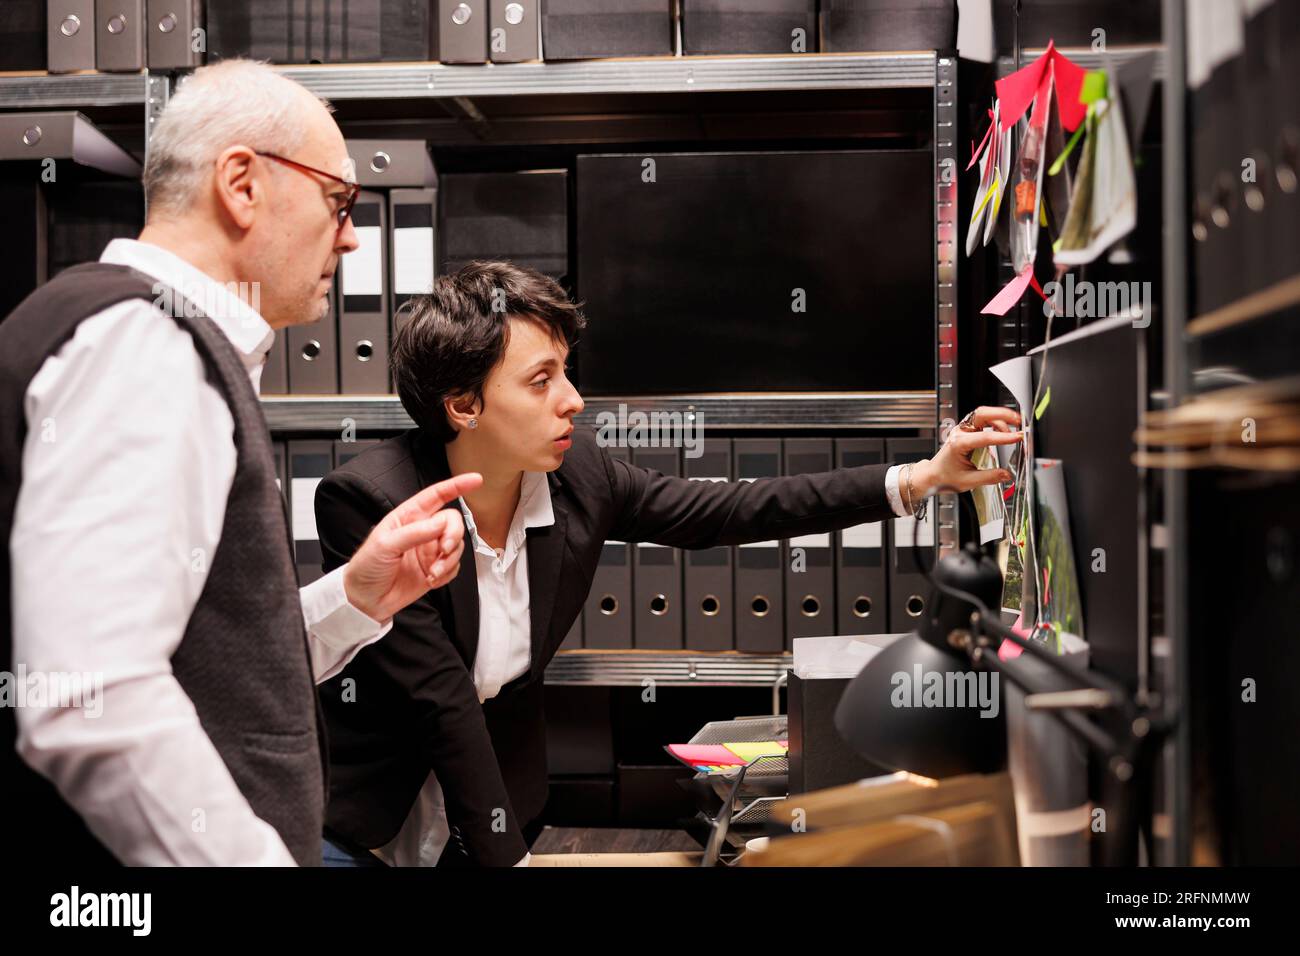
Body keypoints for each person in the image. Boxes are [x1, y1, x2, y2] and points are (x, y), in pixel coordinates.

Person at [314, 259, 1023, 867]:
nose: (574, 400)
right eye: (541, 381)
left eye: (567, 371)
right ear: (464, 405)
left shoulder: (578, 479)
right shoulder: (376, 505)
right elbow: (442, 705)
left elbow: (731, 509)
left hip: (497, 808)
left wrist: (920, 478)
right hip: (367, 823)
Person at [0, 59, 477, 866]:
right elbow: (91, 695)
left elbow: (192, 656)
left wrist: (354, 596)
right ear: (243, 184)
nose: (354, 235)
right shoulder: (146, 348)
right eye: (339, 200)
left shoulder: (137, 330)